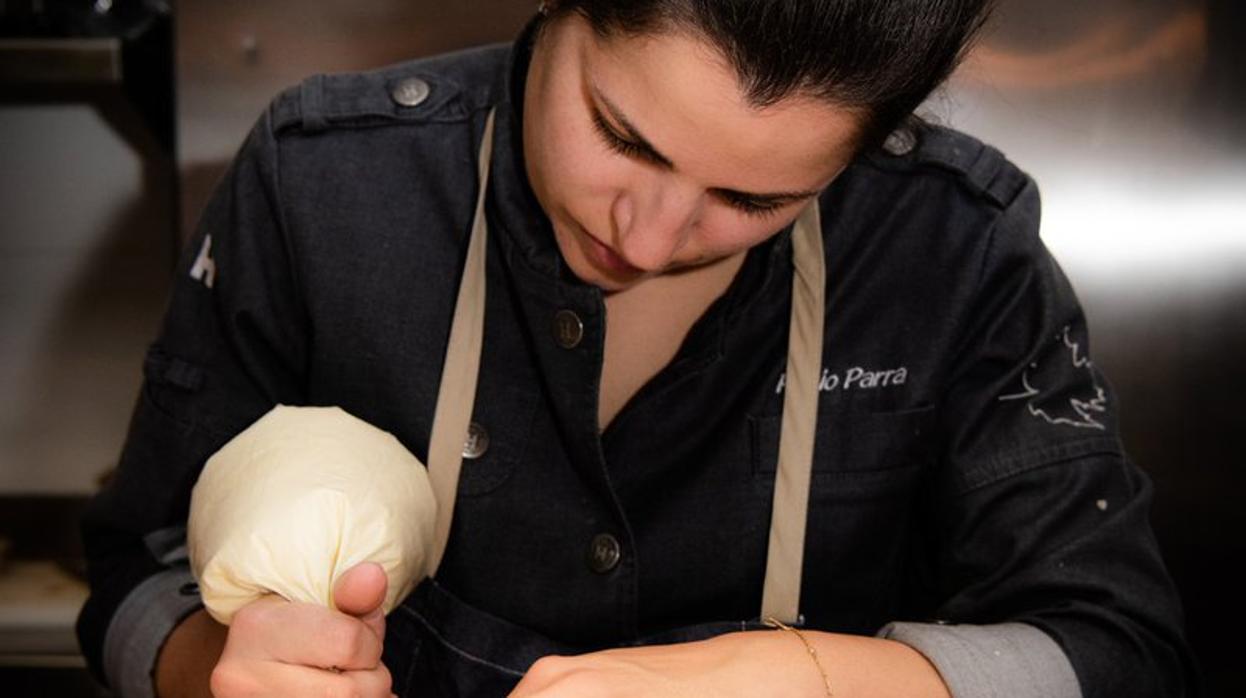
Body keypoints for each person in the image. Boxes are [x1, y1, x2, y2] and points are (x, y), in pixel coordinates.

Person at [76, 1, 1199, 696]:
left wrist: (803, 681)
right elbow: (137, 573)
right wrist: (218, 670)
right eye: (622, 136)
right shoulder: (324, 179)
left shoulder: (952, 248)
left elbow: (1119, 652)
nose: (648, 238)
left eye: (753, 196)